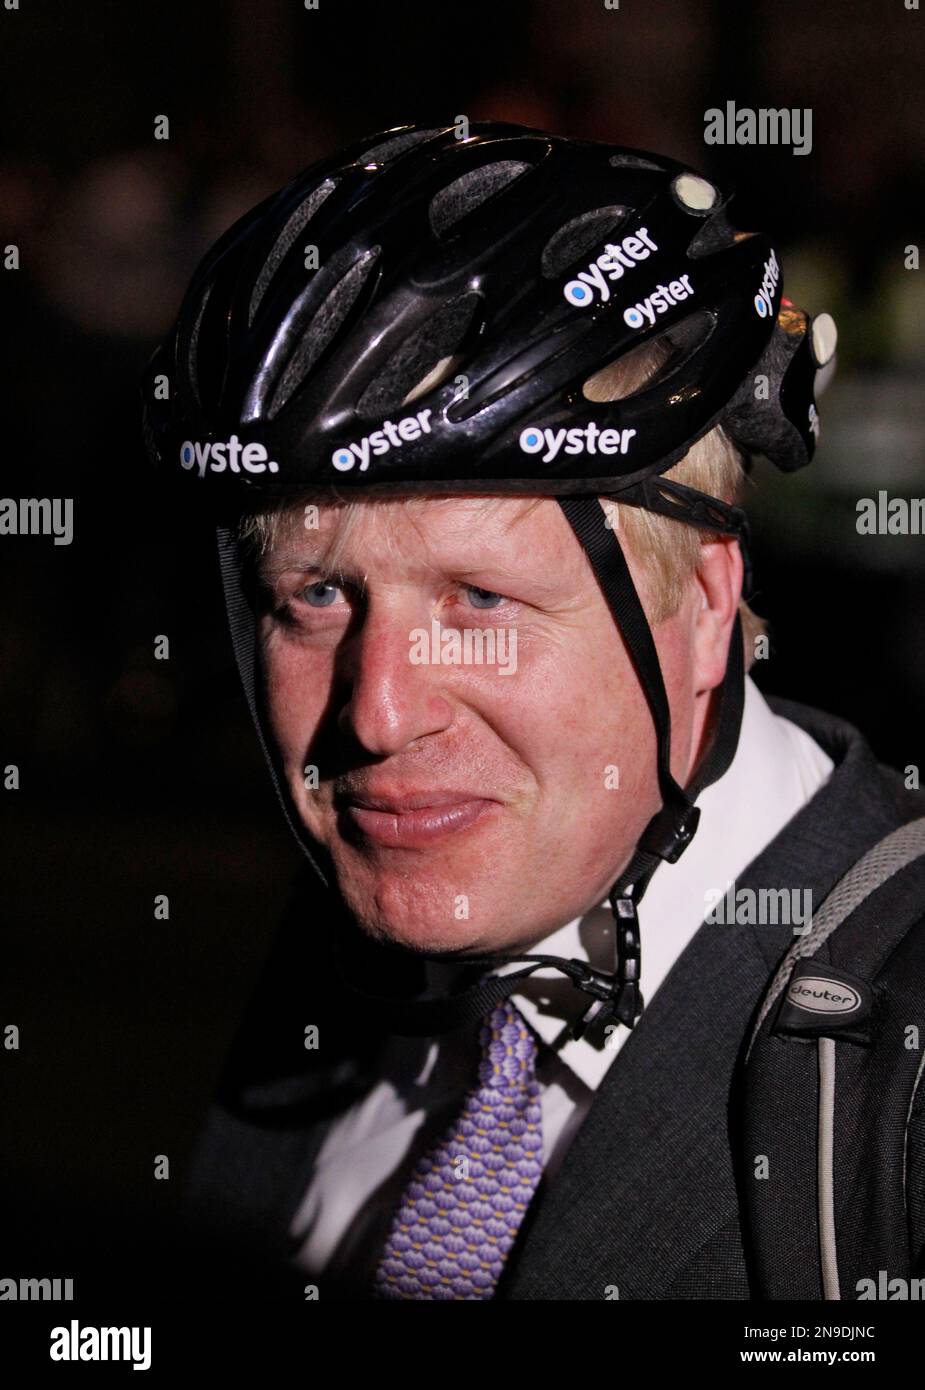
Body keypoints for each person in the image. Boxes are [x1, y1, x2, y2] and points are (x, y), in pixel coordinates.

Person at [142, 121, 925, 1301]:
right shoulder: (361, 941)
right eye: (313, 593)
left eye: (480, 597)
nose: (379, 715)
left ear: (706, 605)